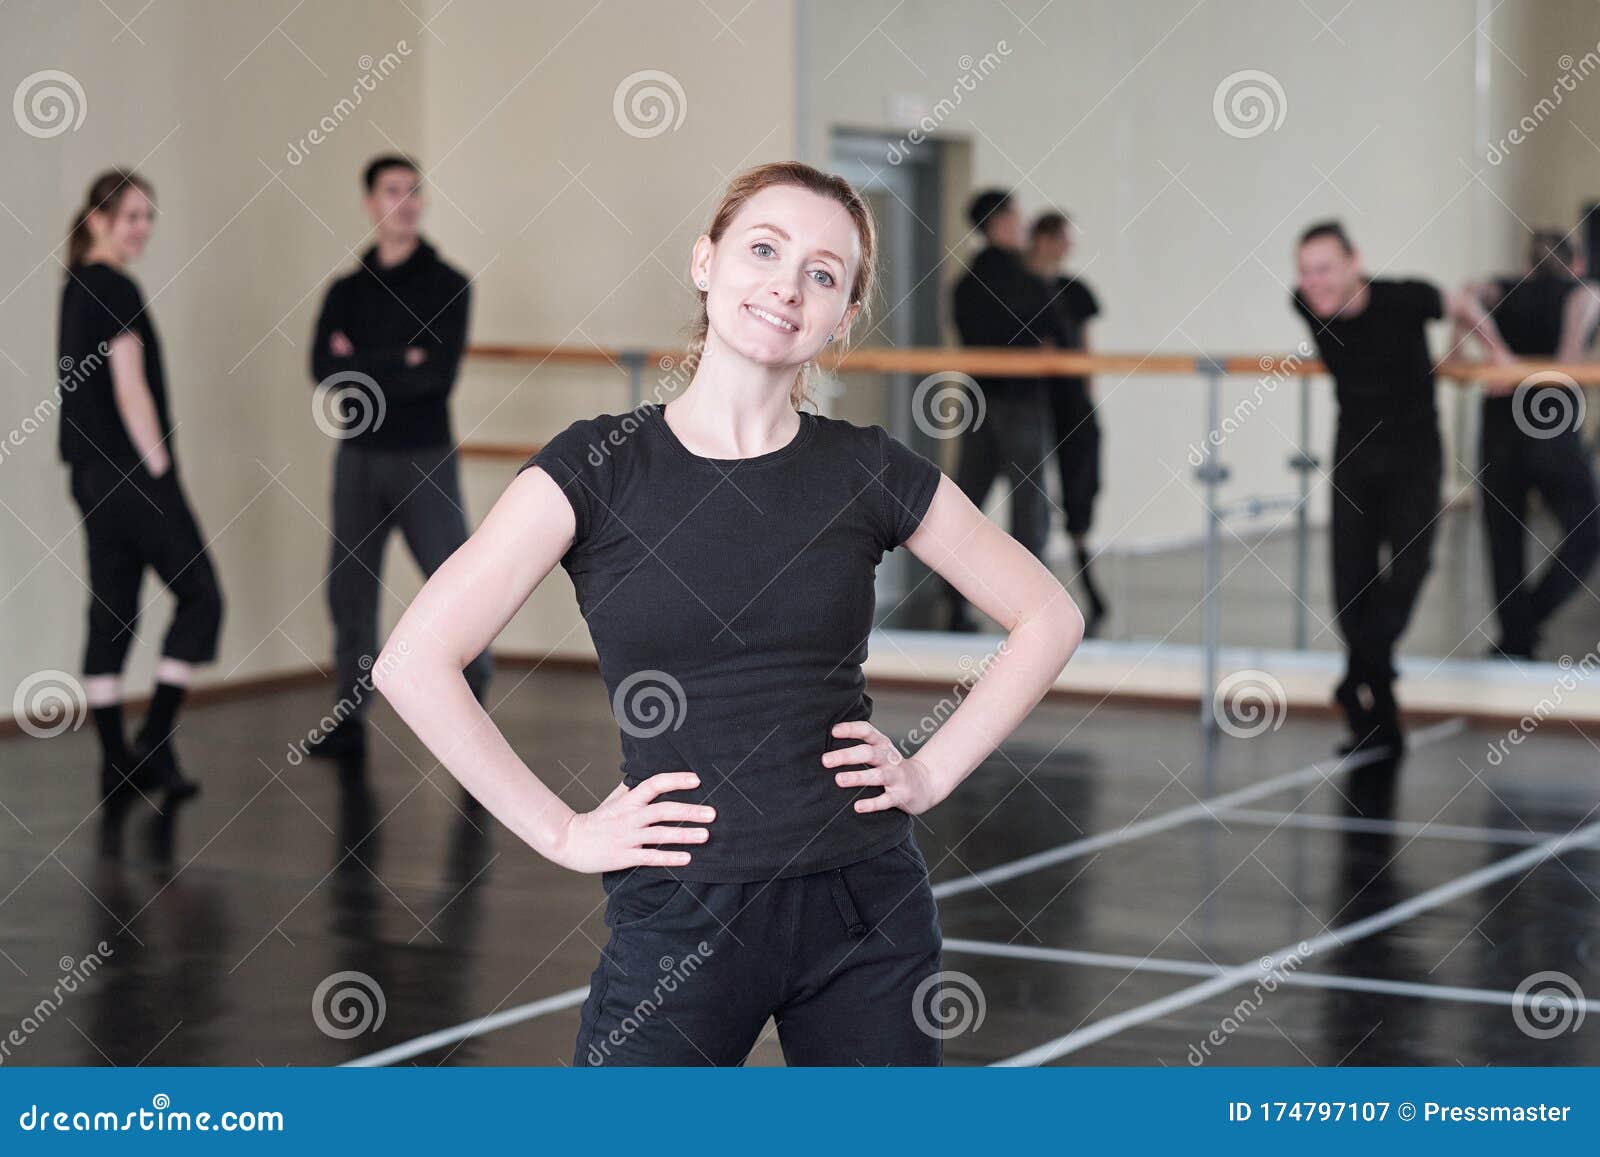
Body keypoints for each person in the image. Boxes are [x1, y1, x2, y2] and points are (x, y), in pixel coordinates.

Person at [372, 162, 1083, 1065]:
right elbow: (413, 660)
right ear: (705, 262)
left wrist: (930, 773)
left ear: (843, 316)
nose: (787, 286)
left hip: (865, 906)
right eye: (764, 250)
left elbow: (1047, 614)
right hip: (679, 911)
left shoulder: (866, 468)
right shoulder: (598, 466)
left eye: (823, 273)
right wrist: (562, 831)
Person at [1291, 220, 1509, 756]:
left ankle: (1356, 675)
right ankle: (1380, 719)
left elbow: (1461, 305)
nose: (1313, 282)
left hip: (1414, 454)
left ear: (1354, 263)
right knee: (1351, 583)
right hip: (1354, 455)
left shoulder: (1405, 297)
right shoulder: (1304, 302)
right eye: (1305, 271)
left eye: (1324, 269)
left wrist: (1498, 356)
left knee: (1410, 568)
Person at [305, 154, 491, 760]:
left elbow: (436, 377)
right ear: (370, 203)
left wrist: (360, 361)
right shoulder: (346, 291)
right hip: (358, 457)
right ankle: (350, 714)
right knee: (350, 589)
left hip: (423, 456)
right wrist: (399, 358)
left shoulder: (449, 285)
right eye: (392, 191)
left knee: (455, 582)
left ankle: (473, 707)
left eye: (414, 191)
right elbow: (321, 369)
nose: (406, 202)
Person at [58, 169, 223, 802]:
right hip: (132, 474)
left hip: (88, 476)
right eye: (130, 216)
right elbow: (131, 391)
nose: (142, 228)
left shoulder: (75, 286)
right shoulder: (116, 287)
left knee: (112, 610)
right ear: (97, 220)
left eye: (149, 216)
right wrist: (161, 471)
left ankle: (114, 761)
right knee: (202, 596)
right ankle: (153, 737)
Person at [1462, 231, 1600, 660]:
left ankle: (1517, 637)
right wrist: (1567, 356)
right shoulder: (1580, 291)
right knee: (1588, 531)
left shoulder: (1500, 289)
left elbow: (1464, 296)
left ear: (1527, 266)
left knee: (1503, 539)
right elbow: (1585, 312)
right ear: (1576, 265)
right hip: (1551, 427)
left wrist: (1499, 354)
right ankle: (1529, 621)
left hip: (1500, 427)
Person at [944, 189, 1068, 633]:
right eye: (1016, 217)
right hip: (1019, 400)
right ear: (999, 224)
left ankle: (953, 602)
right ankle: (1032, 607)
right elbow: (1056, 333)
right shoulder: (1024, 278)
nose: (1024, 225)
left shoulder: (965, 282)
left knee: (965, 502)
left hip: (978, 400)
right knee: (1029, 506)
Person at [1027, 209, 1108, 633]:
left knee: (1081, 486)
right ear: (1044, 239)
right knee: (1032, 494)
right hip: (1034, 401)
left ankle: (1087, 582)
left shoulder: (1074, 291)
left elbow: (1085, 349)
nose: (1068, 247)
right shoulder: (1021, 288)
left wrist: (1087, 392)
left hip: (1073, 401)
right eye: (1062, 238)